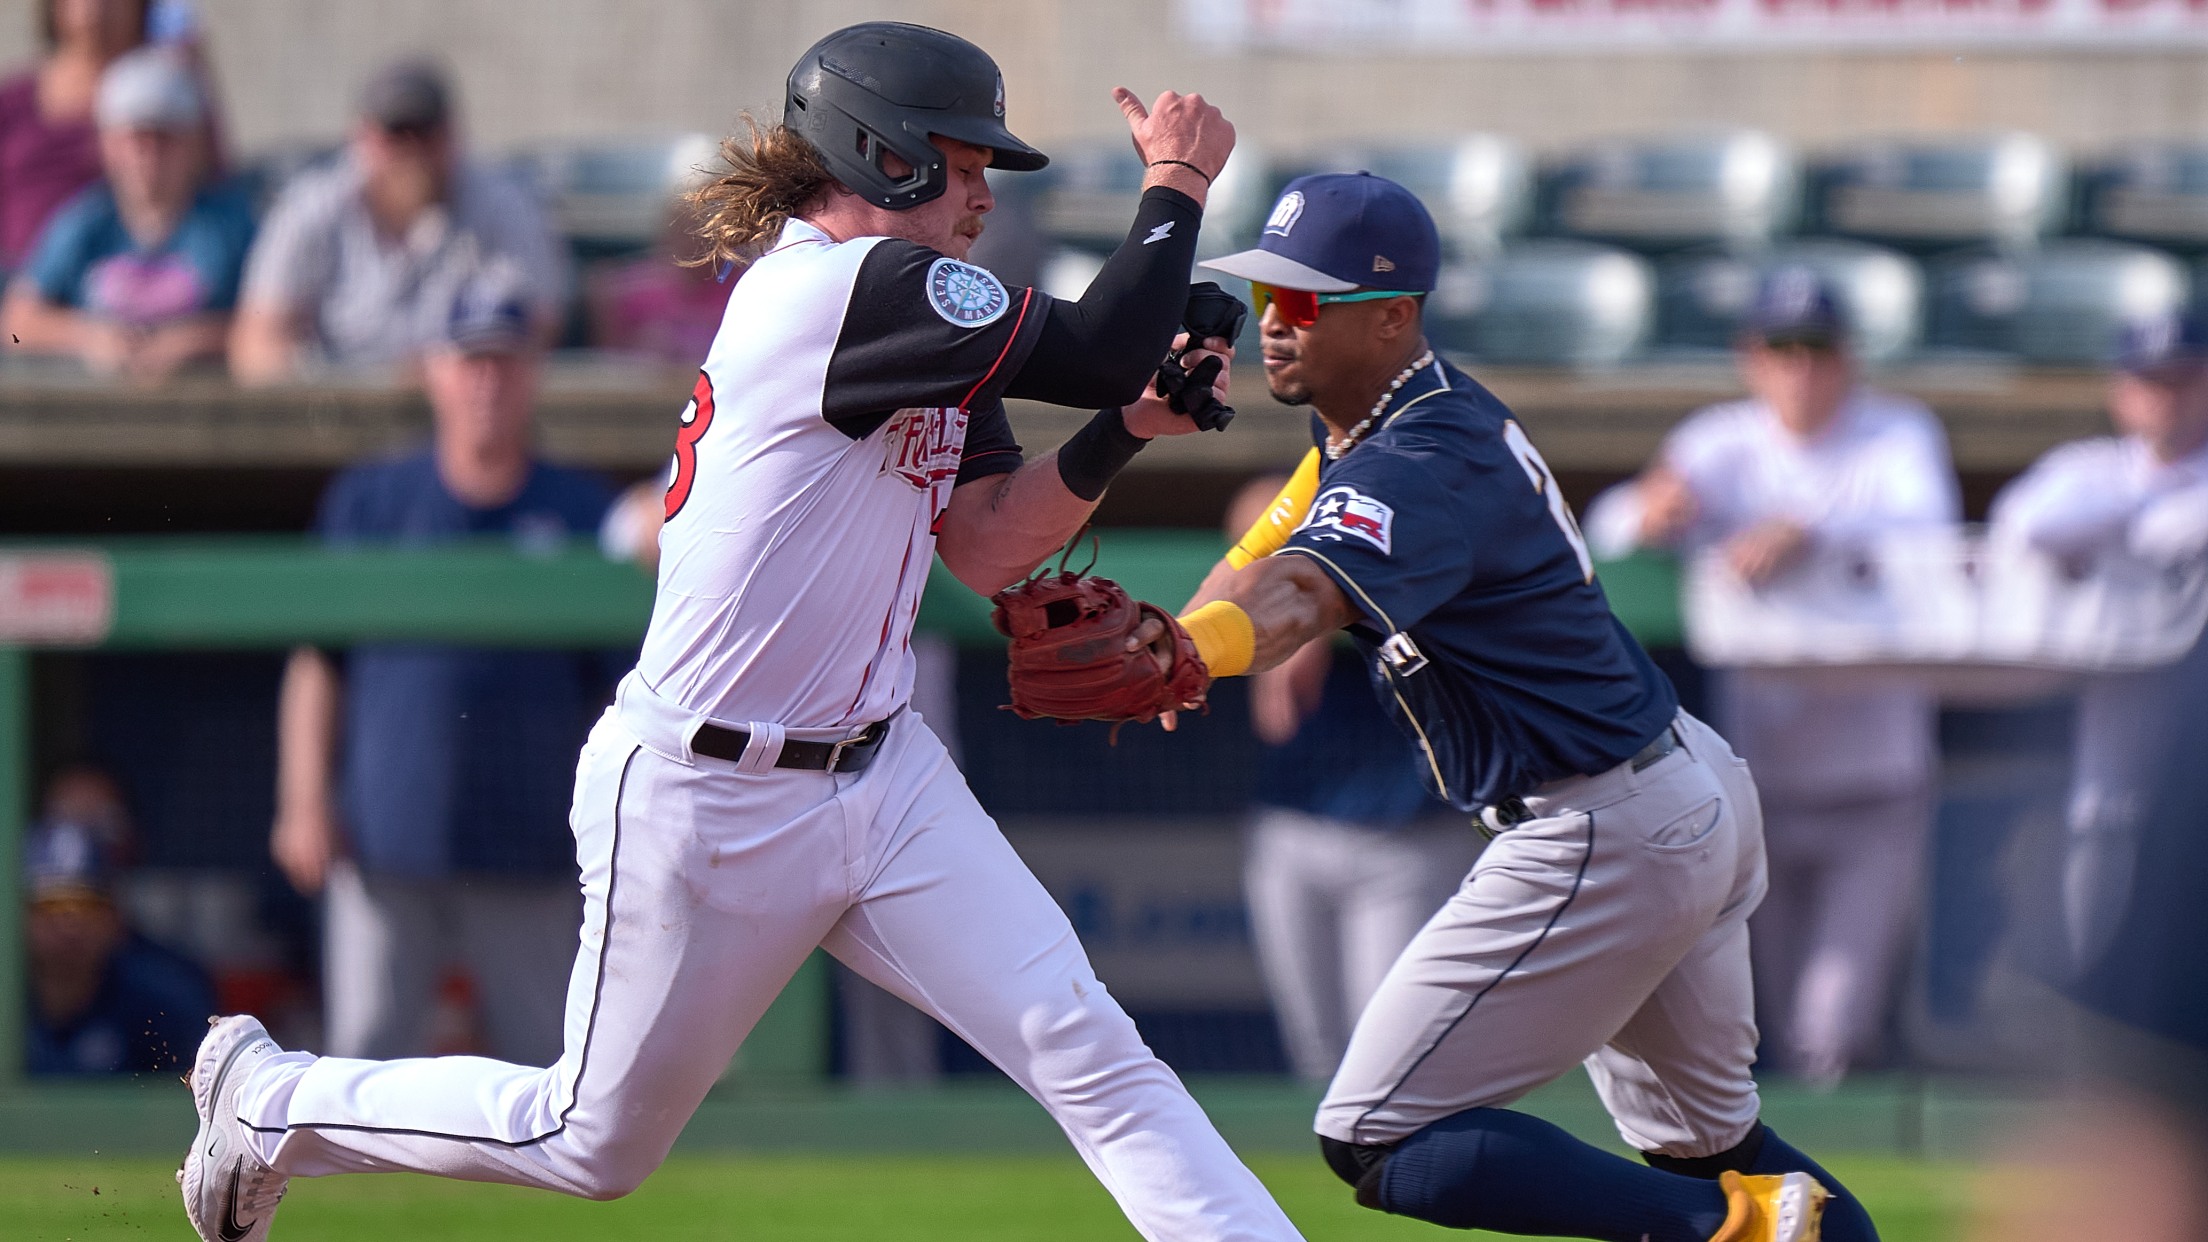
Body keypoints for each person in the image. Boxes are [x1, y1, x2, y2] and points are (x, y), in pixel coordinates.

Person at [180, 23, 1304, 1242]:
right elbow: (1098, 343)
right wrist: (1177, 186)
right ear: (882, 154)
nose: (984, 192)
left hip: (883, 780)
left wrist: (1121, 429)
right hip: (708, 792)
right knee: (589, 1143)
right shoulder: (840, 287)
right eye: (965, 159)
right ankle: (273, 1100)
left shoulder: (906, 317)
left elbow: (985, 544)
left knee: (1089, 1047)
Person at [1164, 173, 1875, 1241]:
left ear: (1395, 315)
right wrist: (1175, 645)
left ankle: (1721, 1232)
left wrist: (1200, 649)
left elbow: (1302, 594)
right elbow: (1262, 549)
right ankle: (1754, 1217)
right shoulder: (1385, 423)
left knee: (1375, 1134)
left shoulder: (1418, 457)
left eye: (1307, 300)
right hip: (1672, 784)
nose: (1275, 321)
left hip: (1600, 820)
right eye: (1269, 294)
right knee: (1714, 1153)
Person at [1583, 269, 1959, 1088]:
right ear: (1752, 357)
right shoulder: (1722, 440)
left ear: (1848, 356)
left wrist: (1809, 528)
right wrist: (1652, 509)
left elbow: (1929, 528)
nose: (1801, 368)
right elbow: (1607, 531)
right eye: (1782, 348)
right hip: (1757, 782)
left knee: (1834, 1022)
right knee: (1770, 1020)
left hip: (1877, 779)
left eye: (1818, 348)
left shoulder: (1895, 434)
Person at [266, 265, 613, 1067]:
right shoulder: (371, 501)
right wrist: (302, 800)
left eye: (504, 361)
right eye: (469, 360)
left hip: (531, 842)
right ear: (433, 371)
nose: (486, 381)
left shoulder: (580, 507)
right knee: (362, 1058)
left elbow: (619, 692)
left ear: (532, 375)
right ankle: (353, 1200)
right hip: (388, 837)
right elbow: (319, 662)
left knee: (549, 1070)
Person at [1224, 473, 1478, 1085]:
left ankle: (1401, 1180)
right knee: (1314, 1052)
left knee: (1386, 1052)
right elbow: (1252, 506)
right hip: (1292, 830)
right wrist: (1290, 597)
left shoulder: (1431, 512)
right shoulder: (1311, 496)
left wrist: (1322, 614)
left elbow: (1418, 572)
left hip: (1409, 837)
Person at [1989, 310, 2208, 973]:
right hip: (2118, 699)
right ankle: (2098, 994)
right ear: (2122, 391)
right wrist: (2125, 517)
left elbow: (2173, 535)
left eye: (2183, 379)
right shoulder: (2093, 466)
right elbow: (2022, 525)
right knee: (2104, 830)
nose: (2166, 395)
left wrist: (2115, 533)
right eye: (2151, 380)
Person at [228, 58, 567, 383]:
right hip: (335, 424)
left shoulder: (502, 205)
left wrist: (444, 376)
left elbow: (539, 330)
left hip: (462, 417)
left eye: (425, 133)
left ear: (452, 134)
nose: (411, 151)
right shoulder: (311, 209)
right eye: (395, 133)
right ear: (361, 136)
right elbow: (257, 346)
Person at [2, 46, 250, 381]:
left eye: (165, 139)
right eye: (135, 139)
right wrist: (89, 339)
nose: (147, 157)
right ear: (106, 144)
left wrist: (196, 340)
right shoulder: (84, 221)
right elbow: (18, 322)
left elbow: (278, 321)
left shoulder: (233, 225)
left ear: (194, 144)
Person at [25, 774, 215, 1076]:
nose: (69, 922)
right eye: (51, 906)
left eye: (86, 904)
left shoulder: (165, 1001)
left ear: (114, 914)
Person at [0, 0, 148, 277]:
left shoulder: (165, 97)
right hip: (13, 273)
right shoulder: (13, 98)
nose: (94, 10)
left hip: (111, 276)